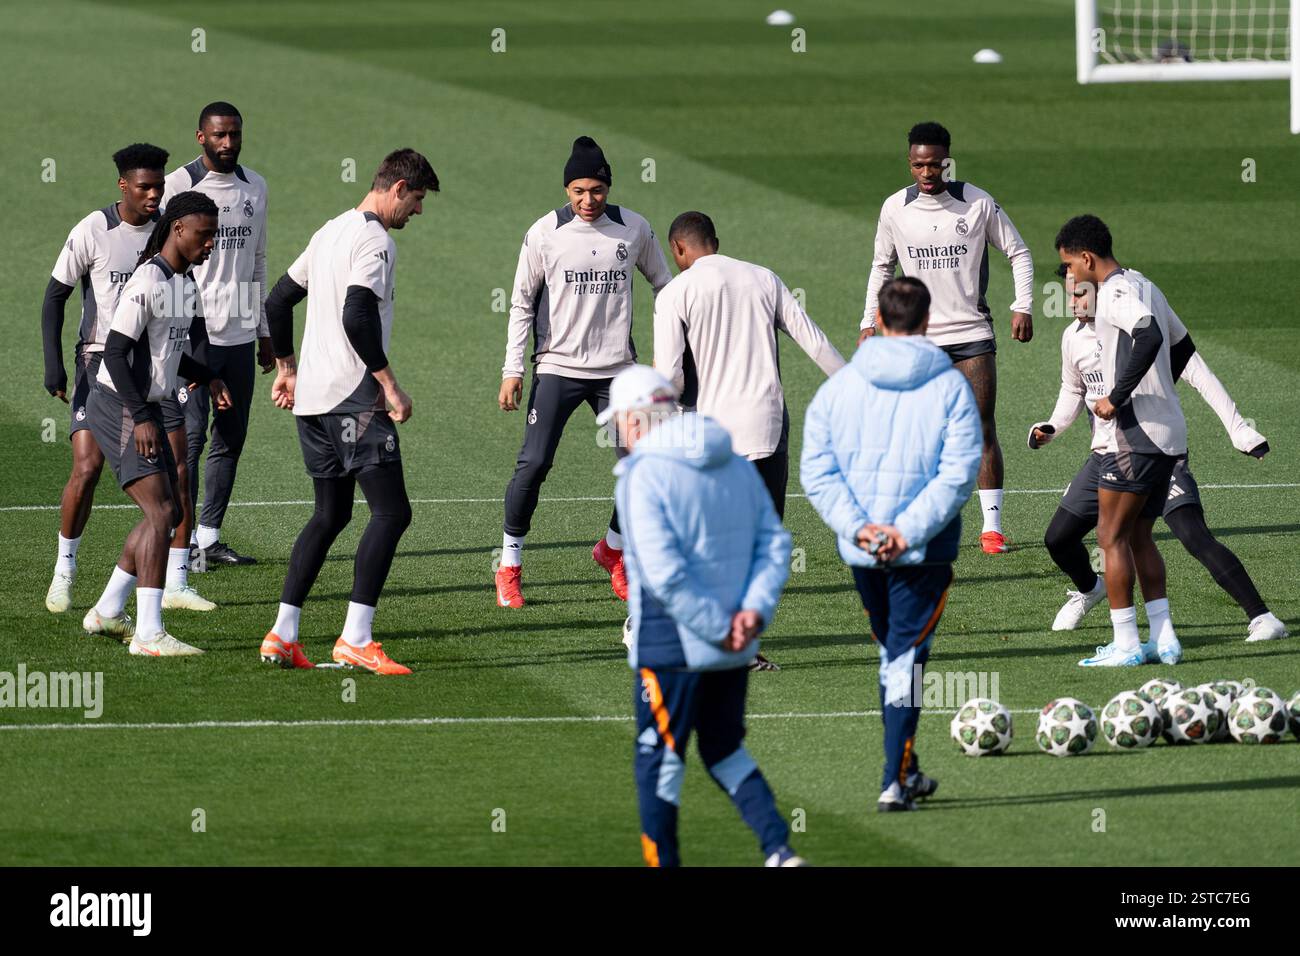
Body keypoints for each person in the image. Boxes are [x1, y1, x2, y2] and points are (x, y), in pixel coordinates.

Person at [608, 365, 803, 867]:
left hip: (672, 647)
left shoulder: (641, 477)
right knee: (724, 751)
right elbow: (773, 544)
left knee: (659, 763)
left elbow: (665, 577)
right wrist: (751, 617)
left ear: (635, 422)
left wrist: (719, 627)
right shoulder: (733, 462)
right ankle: (779, 850)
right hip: (733, 650)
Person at [1032, 264, 1287, 644]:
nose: (1072, 302)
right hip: (1107, 455)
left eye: (1079, 293)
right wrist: (1051, 426)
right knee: (1058, 539)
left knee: (1190, 534)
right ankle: (1091, 590)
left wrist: (1238, 428)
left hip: (1156, 449)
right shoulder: (1073, 339)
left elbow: (1197, 370)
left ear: (1102, 290)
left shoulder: (1137, 325)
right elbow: (1073, 391)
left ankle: (1262, 617)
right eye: (1068, 294)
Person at [803, 277, 981, 812]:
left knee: (893, 657)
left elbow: (818, 471)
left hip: (862, 551)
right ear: (928, 321)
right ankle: (892, 781)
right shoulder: (950, 386)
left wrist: (859, 528)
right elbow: (958, 472)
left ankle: (904, 769)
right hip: (922, 552)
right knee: (904, 660)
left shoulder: (839, 388)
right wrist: (906, 532)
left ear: (879, 321)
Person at [260, 149, 437, 674]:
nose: (419, 213)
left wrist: (287, 368)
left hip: (313, 402)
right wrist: (390, 385)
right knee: (392, 512)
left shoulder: (330, 230)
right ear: (399, 188)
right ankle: (356, 637)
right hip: (353, 399)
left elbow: (276, 302)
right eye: (419, 200)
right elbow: (357, 315)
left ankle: (283, 633)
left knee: (331, 514)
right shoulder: (375, 241)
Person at [496, 136, 673, 609]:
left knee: (648, 465)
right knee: (534, 464)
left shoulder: (634, 229)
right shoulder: (543, 233)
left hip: (620, 371)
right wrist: (513, 369)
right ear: (566, 189)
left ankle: (614, 551)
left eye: (595, 190)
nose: (587, 201)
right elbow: (519, 302)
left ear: (608, 187)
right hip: (557, 366)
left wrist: (669, 358)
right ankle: (509, 565)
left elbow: (666, 287)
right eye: (578, 191)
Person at [43, 143, 216, 614]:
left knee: (175, 484)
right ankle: (66, 573)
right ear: (124, 185)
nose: (154, 194)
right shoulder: (96, 231)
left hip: (157, 371)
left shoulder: (171, 255)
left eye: (160, 185)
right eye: (145, 186)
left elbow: (182, 320)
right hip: (104, 367)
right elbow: (55, 296)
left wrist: (207, 371)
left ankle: (160, 586)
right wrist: (54, 364)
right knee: (88, 469)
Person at [859, 122, 1033, 554]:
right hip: (918, 340)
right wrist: (869, 322)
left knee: (980, 427)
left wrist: (1023, 305)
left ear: (947, 161)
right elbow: (882, 267)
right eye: (919, 164)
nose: (927, 172)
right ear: (909, 162)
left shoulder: (977, 203)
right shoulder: (894, 208)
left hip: (972, 334)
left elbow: (1019, 252)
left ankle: (992, 529)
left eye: (935, 164)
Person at [82, 191, 232, 656]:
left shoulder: (185, 284)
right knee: (164, 513)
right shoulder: (148, 281)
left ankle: (108, 611)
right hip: (121, 406)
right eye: (205, 235)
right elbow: (116, 351)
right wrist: (144, 418)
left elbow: (166, 352)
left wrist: (206, 376)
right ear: (178, 229)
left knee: (164, 513)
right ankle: (148, 634)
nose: (211, 244)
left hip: (141, 406)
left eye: (214, 236)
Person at [1055, 214, 1188, 667]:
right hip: (1171, 432)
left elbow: (1149, 334)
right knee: (1138, 537)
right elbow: (1181, 345)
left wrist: (1116, 395)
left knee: (1110, 537)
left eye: (1070, 266)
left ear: (1087, 258)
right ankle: (1165, 639)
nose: (1070, 276)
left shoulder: (1112, 293)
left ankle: (1127, 644)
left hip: (1135, 436)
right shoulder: (1144, 283)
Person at [652, 210, 845, 520]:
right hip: (766, 425)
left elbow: (671, 377)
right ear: (715, 243)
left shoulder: (674, 293)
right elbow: (815, 343)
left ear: (678, 248)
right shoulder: (764, 277)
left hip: (706, 433)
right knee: (767, 535)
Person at [163, 101, 273, 568]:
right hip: (190, 332)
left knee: (231, 436)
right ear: (200, 136)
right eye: (219, 135)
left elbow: (258, 260)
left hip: (240, 333)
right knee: (189, 440)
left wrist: (265, 330)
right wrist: (170, 330)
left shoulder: (256, 186)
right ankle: (177, 543)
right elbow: (161, 259)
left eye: (235, 135)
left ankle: (208, 539)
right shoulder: (179, 185)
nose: (228, 143)